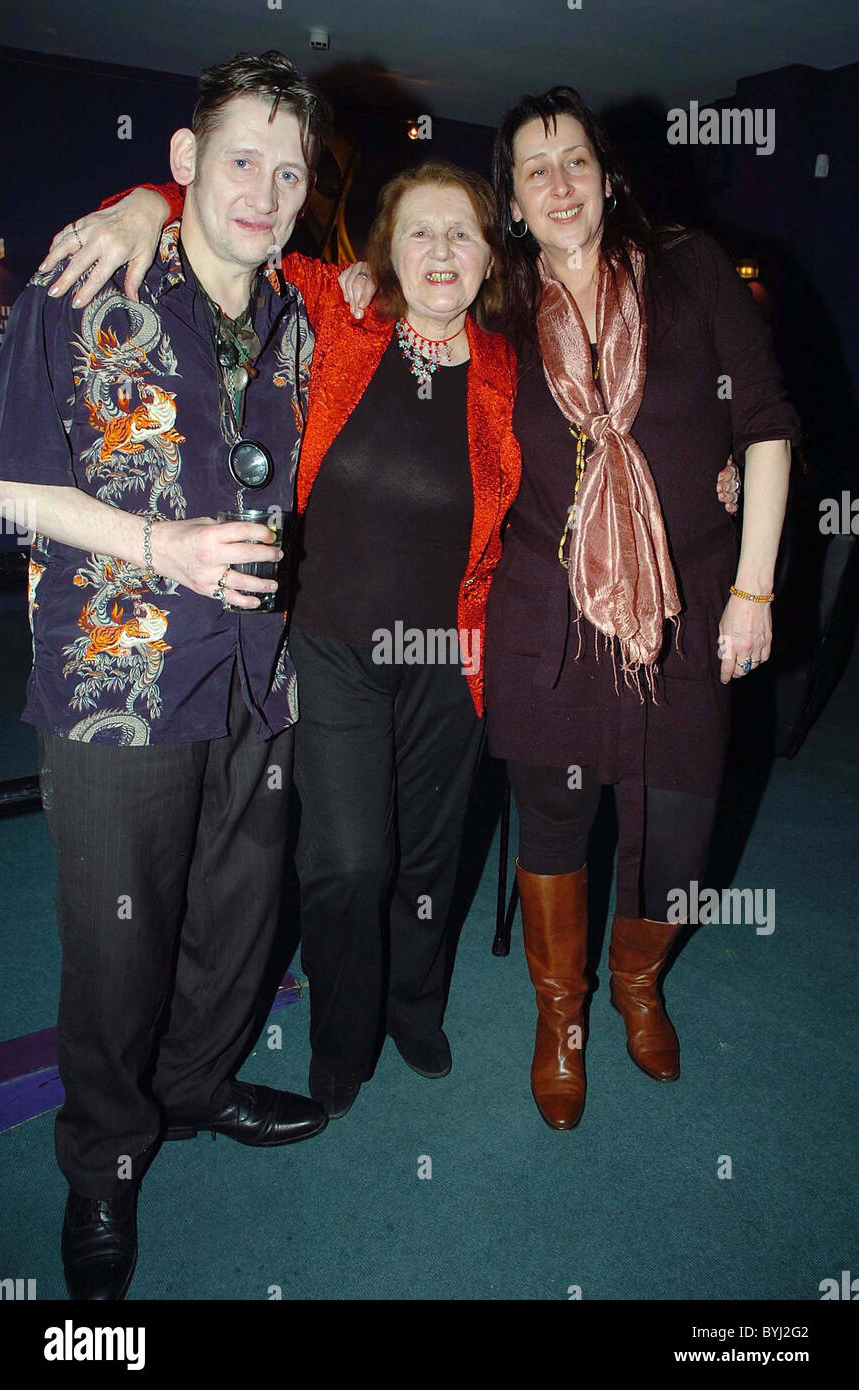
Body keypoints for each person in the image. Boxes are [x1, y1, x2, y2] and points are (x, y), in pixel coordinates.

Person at [48, 161, 522, 1119]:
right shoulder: (336, 313)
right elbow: (237, 227)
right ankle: (343, 1036)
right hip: (332, 643)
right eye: (419, 231)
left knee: (429, 856)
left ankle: (413, 1003)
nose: (440, 251)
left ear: (486, 257)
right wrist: (145, 203)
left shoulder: (510, 367)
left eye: (462, 233)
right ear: (382, 249)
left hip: (452, 652)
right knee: (349, 858)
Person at [0, 51, 332, 1301]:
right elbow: (6, 483)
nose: (267, 187)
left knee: (238, 918)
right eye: (241, 157)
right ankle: (101, 1163)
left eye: (290, 169)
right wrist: (160, 547)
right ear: (183, 163)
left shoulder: (297, 313)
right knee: (116, 944)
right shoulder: (83, 281)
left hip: (258, 671)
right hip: (117, 674)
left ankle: (195, 1082)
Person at [483, 87, 799, 1129]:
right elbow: (379, 289)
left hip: (691, 594)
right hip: (548, 603)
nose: (559, 184)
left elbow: (763, 421)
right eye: (536, 170)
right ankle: (560, 1014)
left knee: (678, 818)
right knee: (557, 816)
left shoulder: (689, 269)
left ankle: (635, 984)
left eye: (574, 160)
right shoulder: (495, 300)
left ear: (607, 177)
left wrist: (753, 588)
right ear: (514, 203)